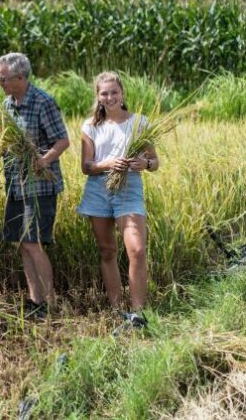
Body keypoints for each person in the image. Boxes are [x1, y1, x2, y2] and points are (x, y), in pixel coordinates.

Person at [77, 72, 158, 330]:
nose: (110, 97)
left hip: (129, 189)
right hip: (99, 189)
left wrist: (143, 163)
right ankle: (116, 310)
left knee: (137, 250)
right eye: (104, 93)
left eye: (114, 92)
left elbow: (155, 162)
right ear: (98, 97)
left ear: (122, 93)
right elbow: (86, 167)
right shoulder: (90, 126)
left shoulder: (139, 123)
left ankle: (138, 314)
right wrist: (110, 163)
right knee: (107, 251)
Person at [0, 53, 69, 318]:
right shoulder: (7, 104)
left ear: (20, 77)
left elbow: (62, 141)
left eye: (3, 78)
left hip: (39, 186)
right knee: (22, 243)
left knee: (33, 242)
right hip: (15, 184)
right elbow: (3, 143)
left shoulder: (43, 102)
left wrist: (44, 159)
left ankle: (50, 304)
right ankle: (35, 300)